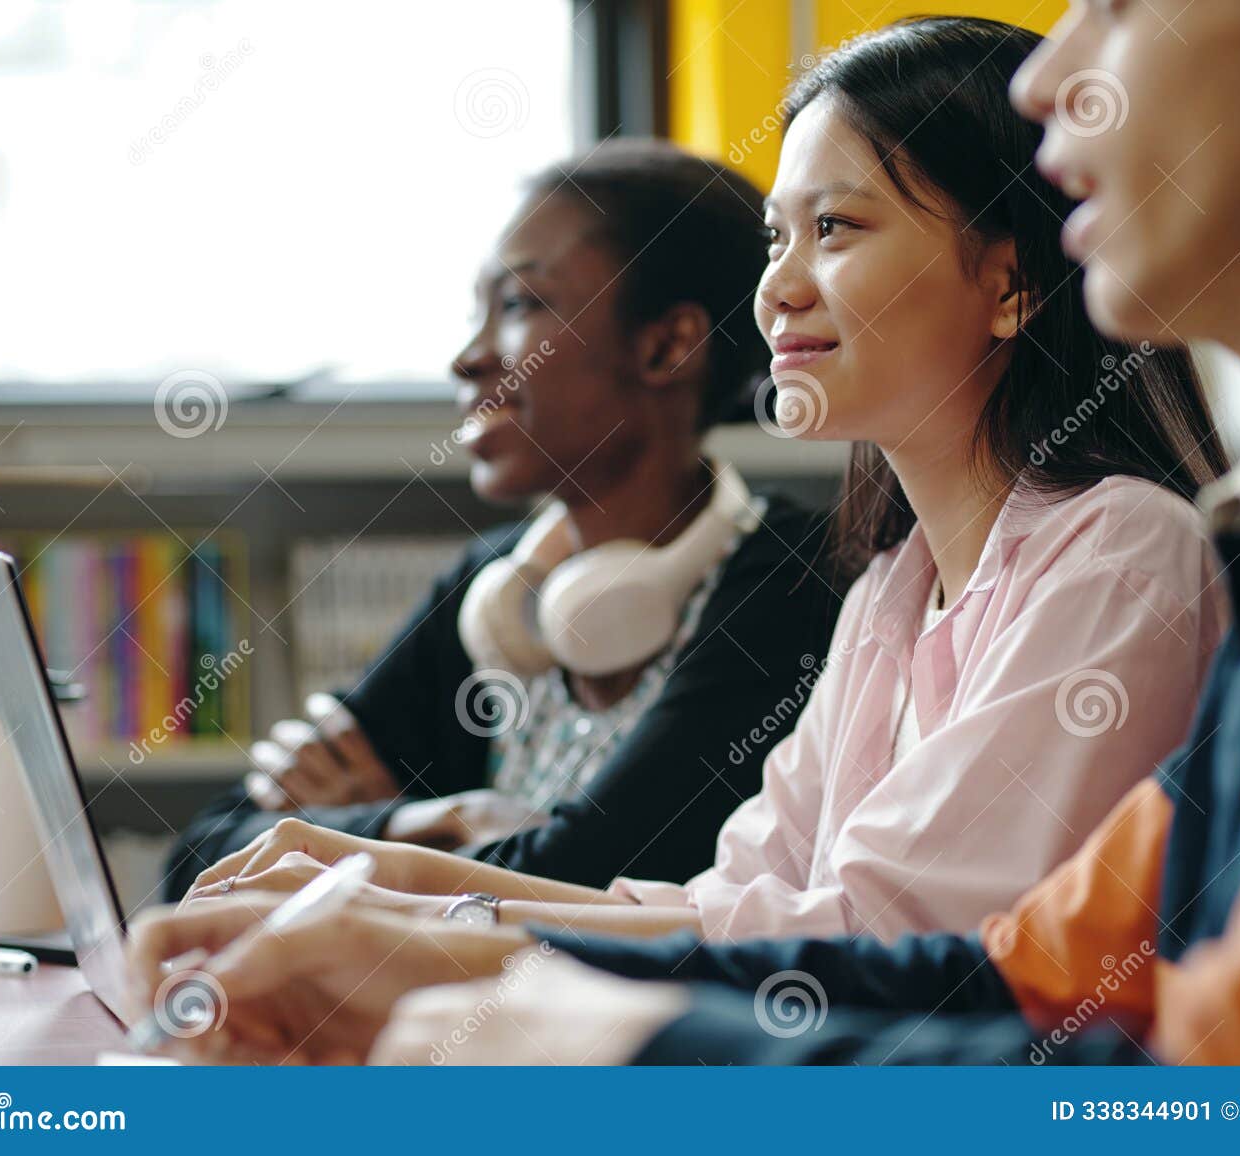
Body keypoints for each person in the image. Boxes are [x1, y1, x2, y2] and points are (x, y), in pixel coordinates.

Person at [163, 0, 1240, 1066]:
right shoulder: (909, 589)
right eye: (780, 235)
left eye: (832, 229)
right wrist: (423, 917)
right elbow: (990, 960)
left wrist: (544, 999)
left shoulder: (1160, 548)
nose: (1057, 77)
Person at [160, 140, 845, 901]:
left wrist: (351, 827)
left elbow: (582, 881)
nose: (467, 359)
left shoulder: (788, 584)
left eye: (519, 305)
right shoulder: (494, 584)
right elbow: (202, 856)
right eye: (475, 315)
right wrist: (428, 824)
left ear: (667, 344)